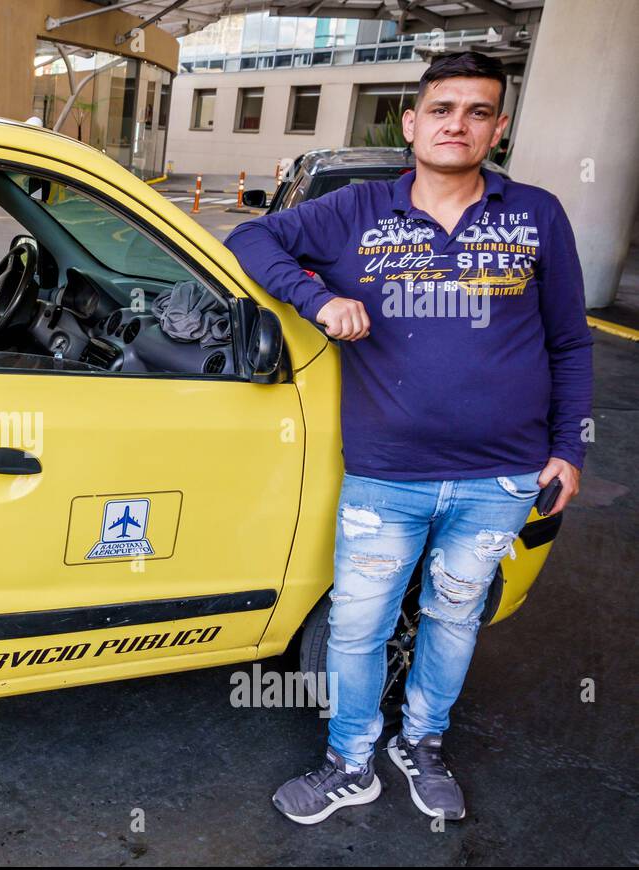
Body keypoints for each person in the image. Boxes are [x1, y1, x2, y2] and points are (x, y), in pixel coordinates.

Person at [224, 52, 592, 824]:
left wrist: (570, 448)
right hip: (388, 473)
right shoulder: (356, 211)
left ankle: (423, 741)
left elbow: (569, 342)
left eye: (479, 111)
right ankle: (350, 760)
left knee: (455, 619)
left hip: (500, 477)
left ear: (499, 127)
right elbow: (252, 241)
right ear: (412, 122)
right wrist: (317, 298)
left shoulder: (537, 215)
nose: (458, 123)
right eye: (443, 108)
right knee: (359, 626)